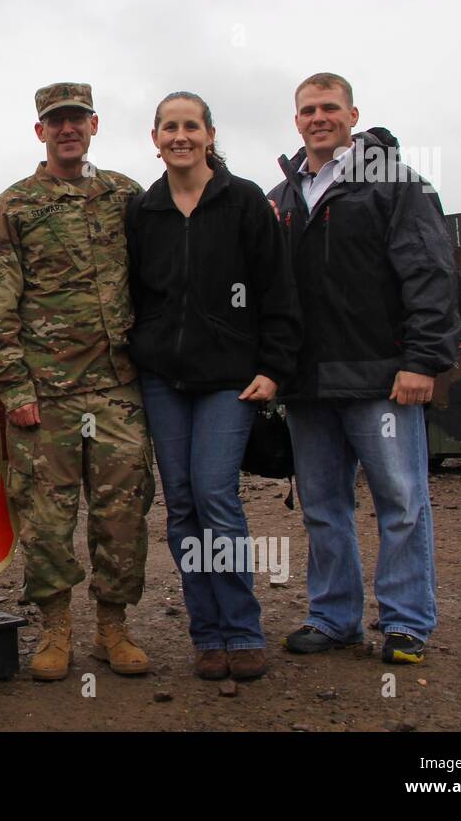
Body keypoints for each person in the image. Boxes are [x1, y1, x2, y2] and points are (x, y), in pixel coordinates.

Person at [268, 72, 457, 665]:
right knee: (324, 507)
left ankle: (405, 623)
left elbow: (429, 273)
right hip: (308, 384)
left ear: (352, 115)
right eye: (307, 110)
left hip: (384, 380)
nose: (318, 117)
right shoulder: (283, 196)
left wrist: (423, 361)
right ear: (296, 120)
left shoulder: (396, 184)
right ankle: (334, 617)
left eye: (329, 107)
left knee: (401, 501)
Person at [0, 82, 155, 681]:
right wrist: (13, 388)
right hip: (45, 392)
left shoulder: (127, 196)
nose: (67, 129)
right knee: (47, 518)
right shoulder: (15, 206)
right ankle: (56, 629)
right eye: (56, 122)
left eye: (77, 119)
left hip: (118, 388)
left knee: (122, 513)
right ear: (40, 132)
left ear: (95, 125)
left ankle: (113, 626)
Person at [125, 92, 302, 681]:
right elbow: (132, 295)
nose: (181, 136)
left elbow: (277, 289)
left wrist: (274, 367)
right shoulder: (142, 212)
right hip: (163, 382)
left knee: (216, 498)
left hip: (230, 380)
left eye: (191, 126)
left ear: (209, 134)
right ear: (155, 138)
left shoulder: (244, 201)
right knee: (181, 506)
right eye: (169, 127)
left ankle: (243, 629)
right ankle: (207, 635)